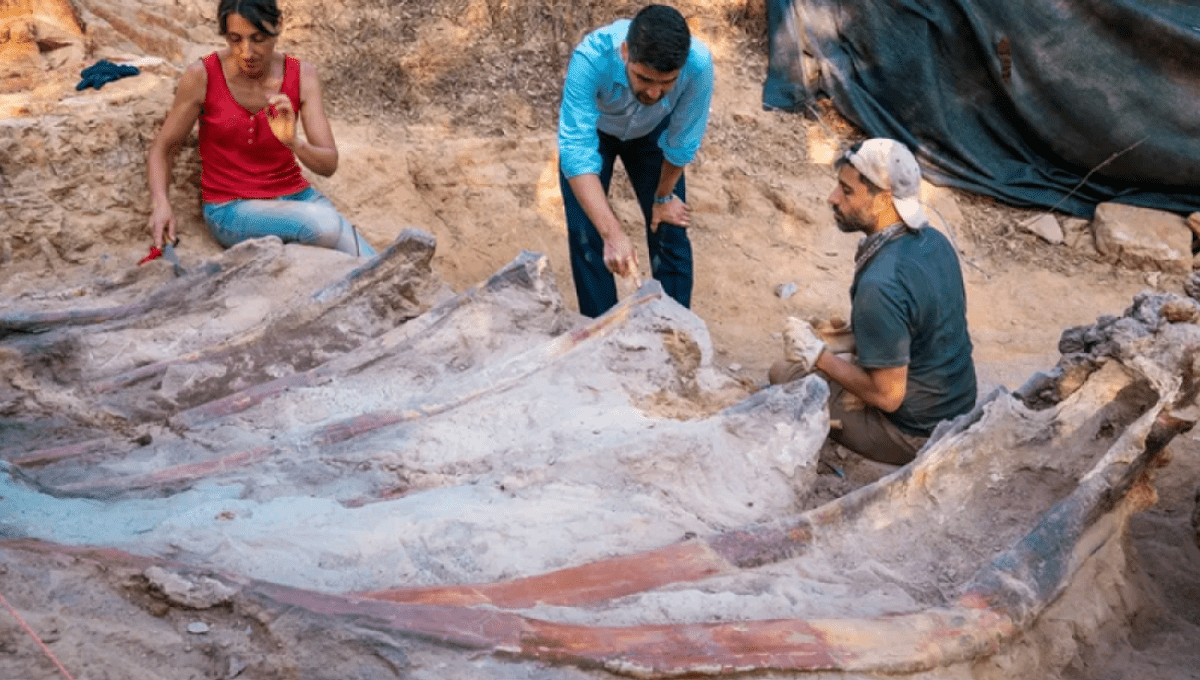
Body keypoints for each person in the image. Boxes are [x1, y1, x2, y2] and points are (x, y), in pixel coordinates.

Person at [769, 138, 977, 465]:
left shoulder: (880, 285)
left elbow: (888, 397)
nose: (832, 199)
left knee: (784, 372)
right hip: (958, 405)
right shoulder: (934, 242)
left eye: (847, 191)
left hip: (915, 433)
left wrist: (818, 355)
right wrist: (838, 340)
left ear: (882, 200)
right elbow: (917, 323)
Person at [146, 0, 375, 257]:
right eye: (235, 39)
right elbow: (163, 148)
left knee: (377, 265)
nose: (247, 52)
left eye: (259, 38)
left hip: (298, 199)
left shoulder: (302, 75)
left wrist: (293, 142)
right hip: (231, 209)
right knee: (326, 225)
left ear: (278, 26)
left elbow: (328, 164)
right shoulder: (202, 75)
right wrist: (161, 204)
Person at [557, 4, 713, 317]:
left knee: (670, 226)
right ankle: (601, 332)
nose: (654, 93)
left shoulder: (698, 65)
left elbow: (681, 143)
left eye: (666, 82)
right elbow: (576, 151)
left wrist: (663, 197)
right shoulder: (591, 58)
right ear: (626, 52)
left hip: (653, 133)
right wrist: (613, 234)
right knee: (588, 232)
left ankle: (677, 333)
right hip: (597, 133)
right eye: (644, 78)